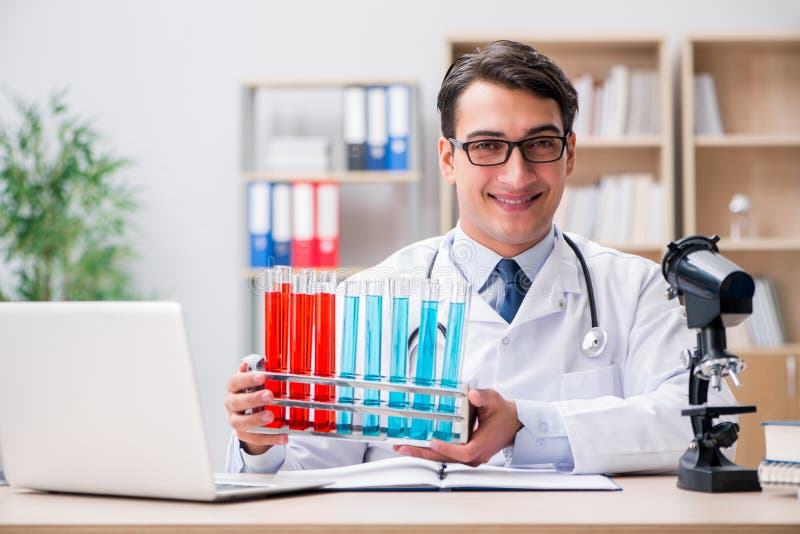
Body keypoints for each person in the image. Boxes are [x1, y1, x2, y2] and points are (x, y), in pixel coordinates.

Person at [225, 40, 736, 475]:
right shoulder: (369, 295)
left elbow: (709, 425)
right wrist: (259, 444)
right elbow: (301, 469)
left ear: (570, 154)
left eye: (540, 143)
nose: (517, 174)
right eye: (488, 146)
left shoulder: (635, 287)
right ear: (448, 158)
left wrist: (530, 423)